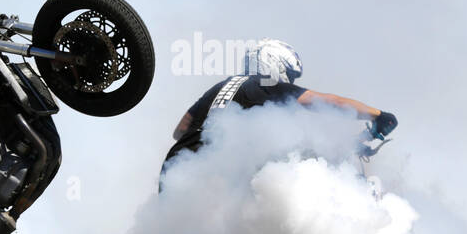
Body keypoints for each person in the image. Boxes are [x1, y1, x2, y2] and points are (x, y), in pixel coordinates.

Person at [164, 38, 397, 165]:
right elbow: (328, 102)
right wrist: (377, 114)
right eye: (291, 74)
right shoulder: (270, 84)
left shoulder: (219, 87)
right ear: (274, 64)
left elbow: (181, 130)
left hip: (178, 164)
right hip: (223, 167)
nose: (291, 80)